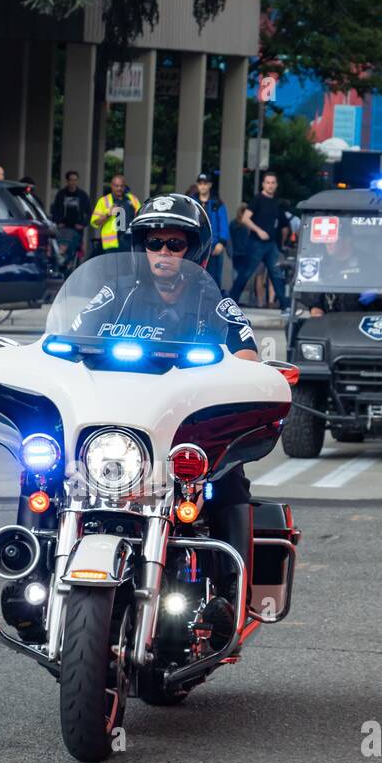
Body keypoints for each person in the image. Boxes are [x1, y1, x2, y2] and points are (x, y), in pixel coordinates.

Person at [74, 192, 257, 647]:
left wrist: (246, 374)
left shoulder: (215, 304)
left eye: (175, 244)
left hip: (183, 438)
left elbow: (250, 358)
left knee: (229, 480)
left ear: (193, 250)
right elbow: (68, 334)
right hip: (116, 431)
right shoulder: (115, 294)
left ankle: (231, 596)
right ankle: (26, 568)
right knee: (40, 470)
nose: (164, 253)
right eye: (155, 243)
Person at [228, 171, 291, 310]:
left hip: (271, 244)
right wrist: (259, 231)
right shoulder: (257, 199)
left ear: (276, 185)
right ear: (263, 184)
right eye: (268, 183)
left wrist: (280, 242)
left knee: (276, 274)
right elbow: (245, 218)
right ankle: (231, 301)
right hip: (256, 243)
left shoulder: (276, 202)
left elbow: (283, 225)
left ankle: (285, 305)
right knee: (246, 272)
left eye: (272, 183)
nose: (270, 185)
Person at [194, 172, 230, 291]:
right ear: (198, 185)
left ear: (209, 185)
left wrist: (222, 242)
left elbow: (224, 224)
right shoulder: (192, 202)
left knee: (214, 278)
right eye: (200, 184)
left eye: (205, 184)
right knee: (194, 276)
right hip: (196, 245)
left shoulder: (217, 203)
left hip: (213, 247)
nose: (203, 186)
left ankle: (214, 304)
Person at [51, 169, 92, 272]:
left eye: (75, 180)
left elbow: (89, 213)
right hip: (63, 226)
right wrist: (57, 222)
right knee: (61, 242)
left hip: (77, 227)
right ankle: (62, 261)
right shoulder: (61, 194)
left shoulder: (82, 195)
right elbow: (54, 210)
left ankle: (69, 263)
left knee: (73, 245)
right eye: (71, 180)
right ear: (67, 181)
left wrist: (83, 224)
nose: (73, 182)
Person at [89, 173, 140, 253]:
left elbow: (139, 218)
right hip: (111, 244)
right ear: (112, 186)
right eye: (116, 186)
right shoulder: (103, 201)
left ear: (124, 186)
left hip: (129, 241)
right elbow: (95, 222)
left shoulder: (133, 199)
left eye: (121, 186)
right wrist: (107, 214)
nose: (119, 188)